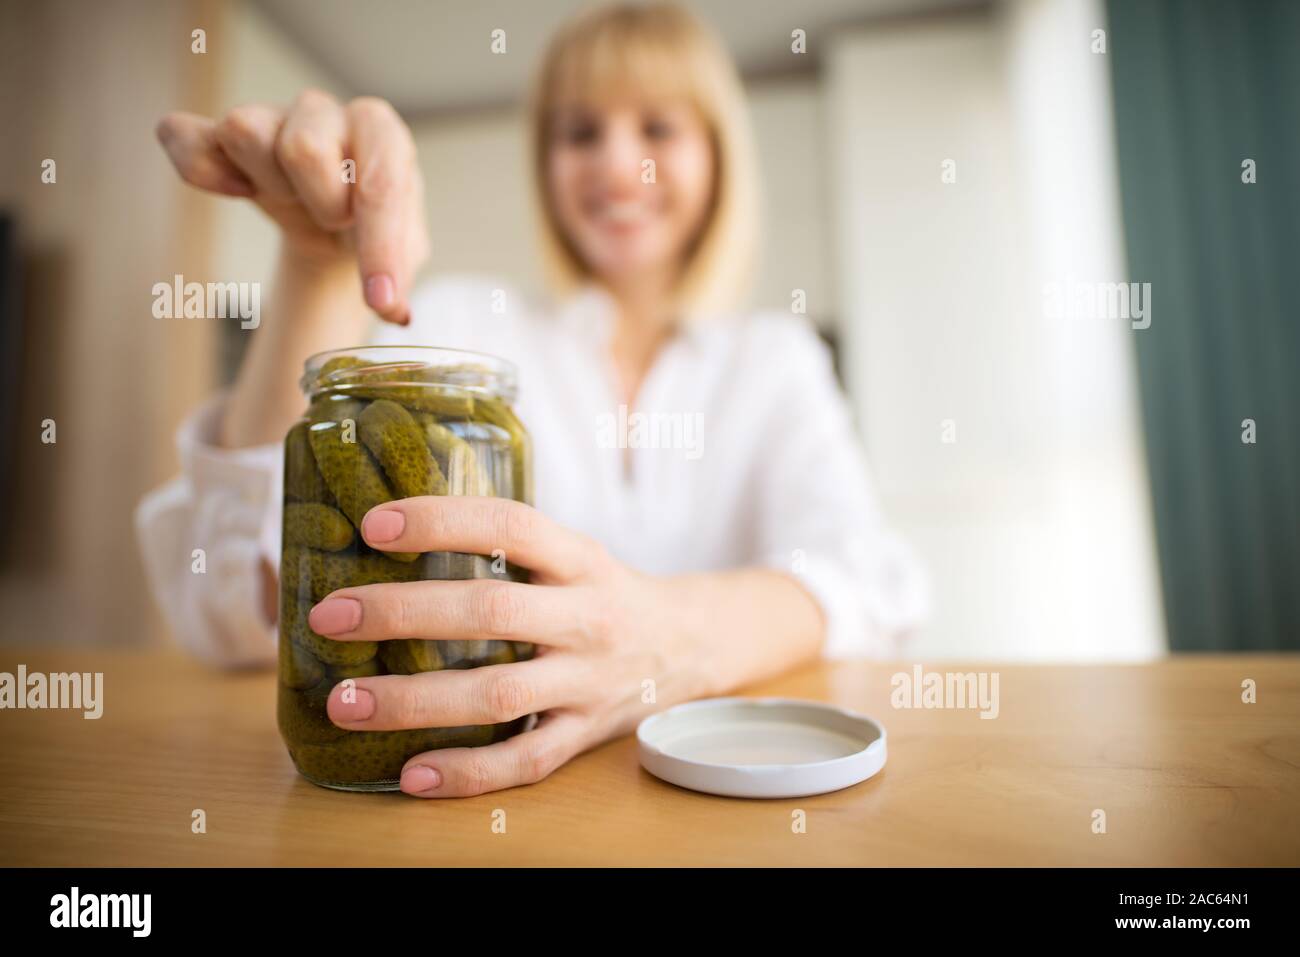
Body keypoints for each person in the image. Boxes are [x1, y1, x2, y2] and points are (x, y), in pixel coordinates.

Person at [136, 1, 926, 798]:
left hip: (726, 793)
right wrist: (317, 264)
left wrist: (669, 640)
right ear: (545, 162)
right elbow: (230, 608)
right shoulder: (459, 329)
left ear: (720, 155)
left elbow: (861, 583)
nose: (619, 166)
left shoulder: (775, 360)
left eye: (658, 129)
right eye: (580, 132)